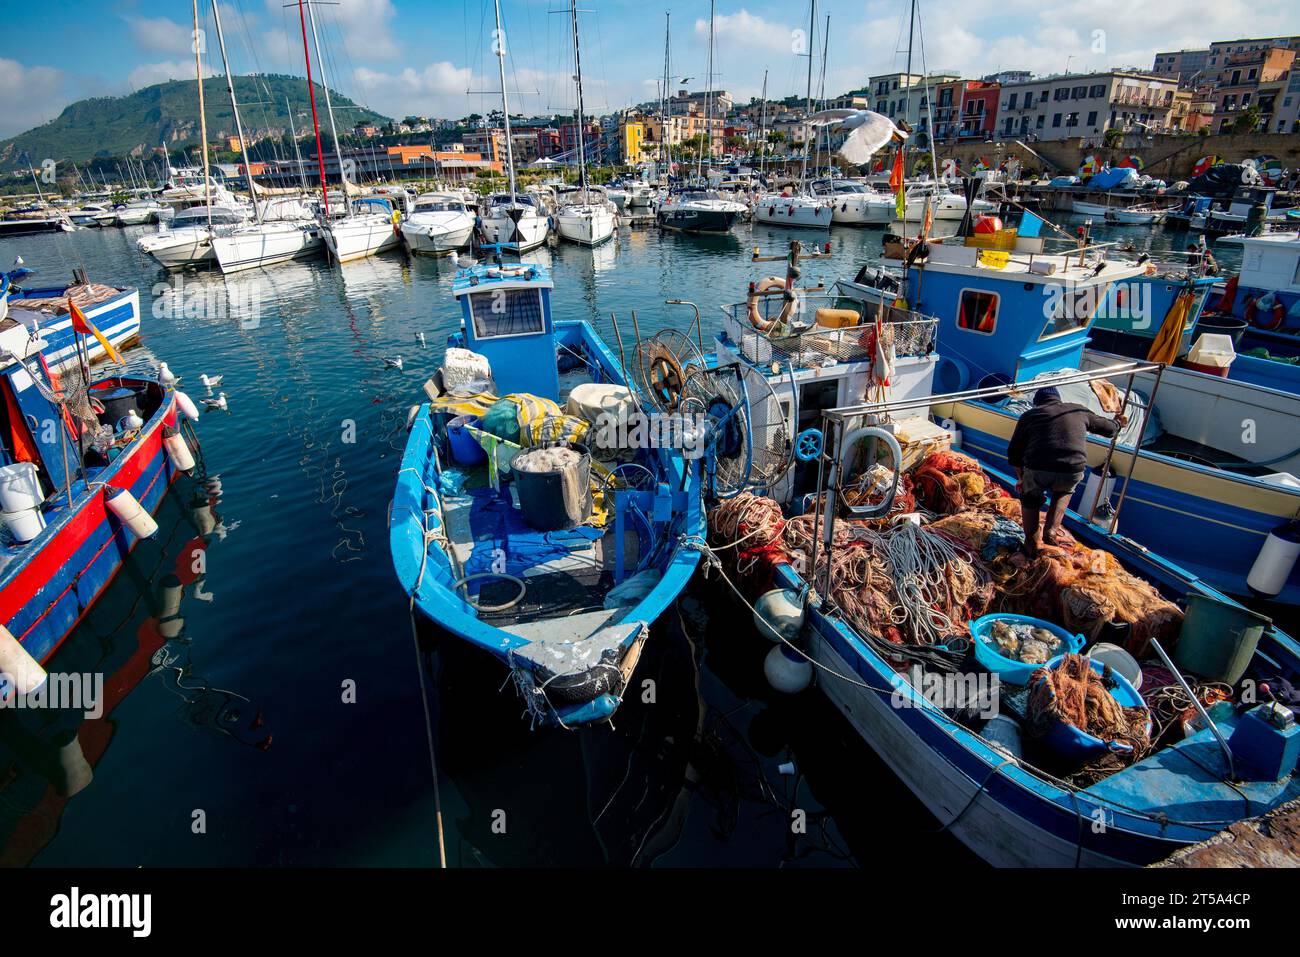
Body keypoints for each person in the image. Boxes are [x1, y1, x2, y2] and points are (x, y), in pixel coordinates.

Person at [1006, 387, 1126, 556]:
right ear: (1058, 399)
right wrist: (1118, 422)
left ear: (1037, 403)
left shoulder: (1030, 416)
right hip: (1073, 468)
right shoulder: (1077, 409)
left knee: (1030, 498)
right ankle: (1051, 533)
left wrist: (1021, 477)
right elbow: (1109, 430)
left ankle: (1031, 544)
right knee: (1063, 491)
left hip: (1039, 468)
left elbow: (1014, 453)